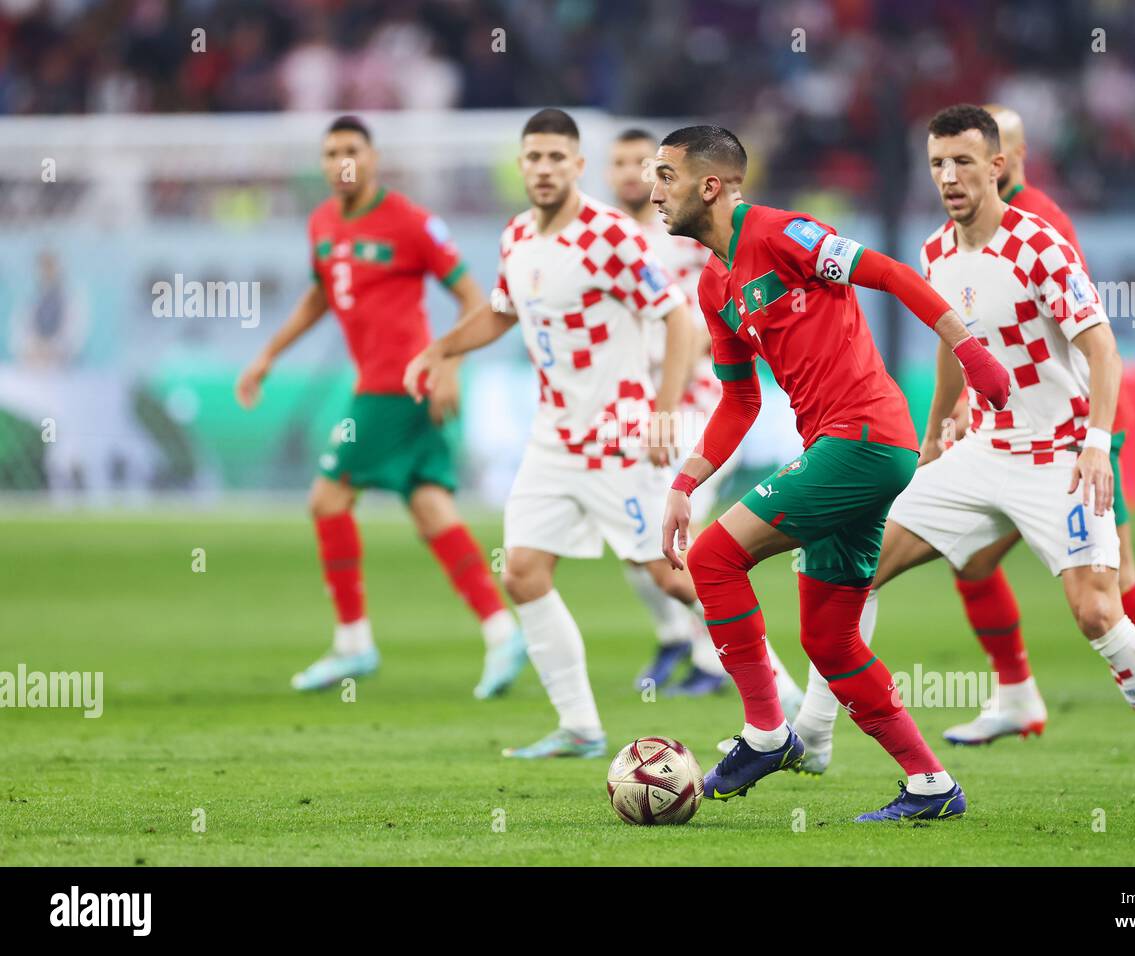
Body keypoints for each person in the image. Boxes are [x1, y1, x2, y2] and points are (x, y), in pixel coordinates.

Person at [794, 104, 1135, 794]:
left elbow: (1102, 351)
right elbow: (953, 349)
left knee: (1097, 611)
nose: (949, 177)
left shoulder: (1039, 245)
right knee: (854, 565)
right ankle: (813, 733)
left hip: (1060, 455)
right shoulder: (934, 252)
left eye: (962, 162)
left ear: (997, 165)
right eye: (937, 164)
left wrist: (1096, 443)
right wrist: (933, 438)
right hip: (984, 451)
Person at [654, 124, 1011, 821]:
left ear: (710, 185)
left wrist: (971, 353)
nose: (653, 191)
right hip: (840, 449)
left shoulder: (783, 233)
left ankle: (765, 731)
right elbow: (740, 401)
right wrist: (683, 482)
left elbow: (892, 274)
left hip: (865, 439)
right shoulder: (712, 285)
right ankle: (931, 787)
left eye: (665, 177)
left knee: (714, 559)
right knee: (829, 638)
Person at [403, 109, 702, 759]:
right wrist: (440, 351)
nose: (543, 169)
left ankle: (783, 696)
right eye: (533, 158)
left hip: (620, 434)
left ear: (577, 166)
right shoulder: (517, 238)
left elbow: (676, 317)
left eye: (556, 158)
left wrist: (663, 409)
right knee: (523, 570)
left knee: (670, 574)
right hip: (552, 440)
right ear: (521, 166)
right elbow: (500, 314)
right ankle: (581, 727)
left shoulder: (611, 236)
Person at [236, 115, 526, 697]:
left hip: (397, 385)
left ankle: (353, 642)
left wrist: (449, 364)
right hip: (381, 384)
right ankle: (501, 631)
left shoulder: (411, 222)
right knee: (429, 507)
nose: (342, 160)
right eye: (331, 151)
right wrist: (268, 353)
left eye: (352, 149)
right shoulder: (321, 223)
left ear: (373, 158)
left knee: (327, 498)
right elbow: (322, 293)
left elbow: (474, 295)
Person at [606, 128, 804, 707]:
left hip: (696, 411)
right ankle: (689, 644)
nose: (633, 176)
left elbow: (694, 324)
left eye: (643, 165)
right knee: (641, 543)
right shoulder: (622, 238)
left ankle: (740, 670)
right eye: (620, 163)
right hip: (644, 414)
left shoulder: (687, 237)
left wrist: (669, 388)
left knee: (675, 550)